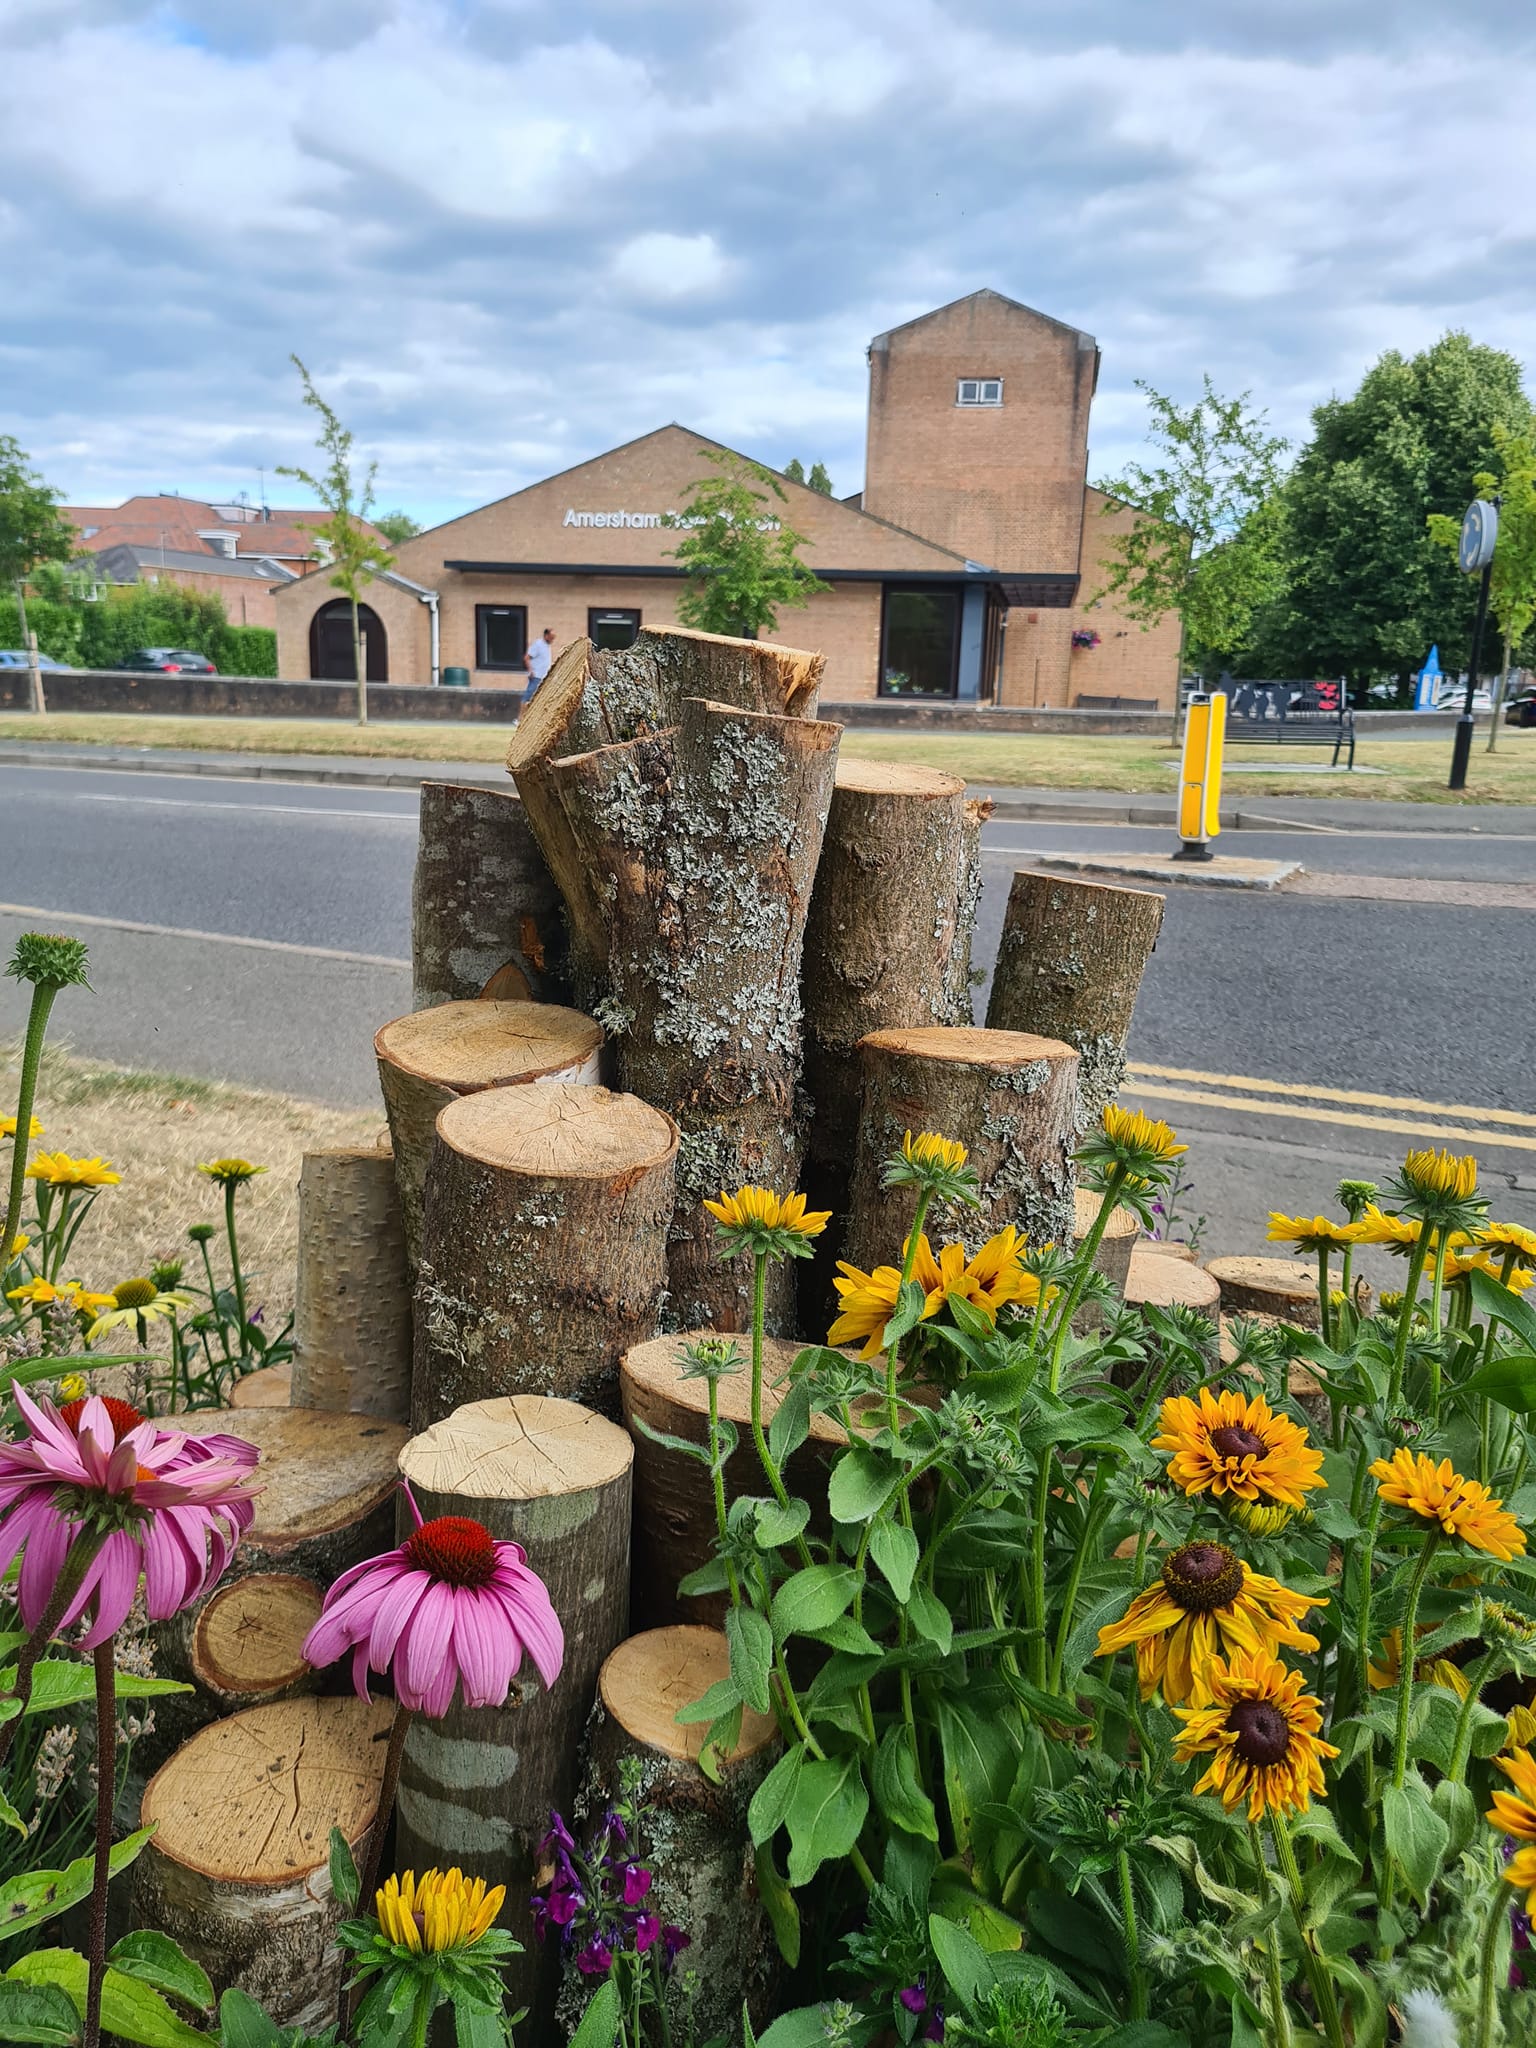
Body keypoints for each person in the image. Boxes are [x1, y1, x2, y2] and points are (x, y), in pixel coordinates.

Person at [524, 627, 555, 705]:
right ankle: (520, 717)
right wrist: (530, 671)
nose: (552, 640)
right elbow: (527, 658)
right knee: (528, 697)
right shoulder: (538, 644)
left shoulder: (547, 646)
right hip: (536, 676)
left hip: (544, 676)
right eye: (551, 637)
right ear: (546, 635)